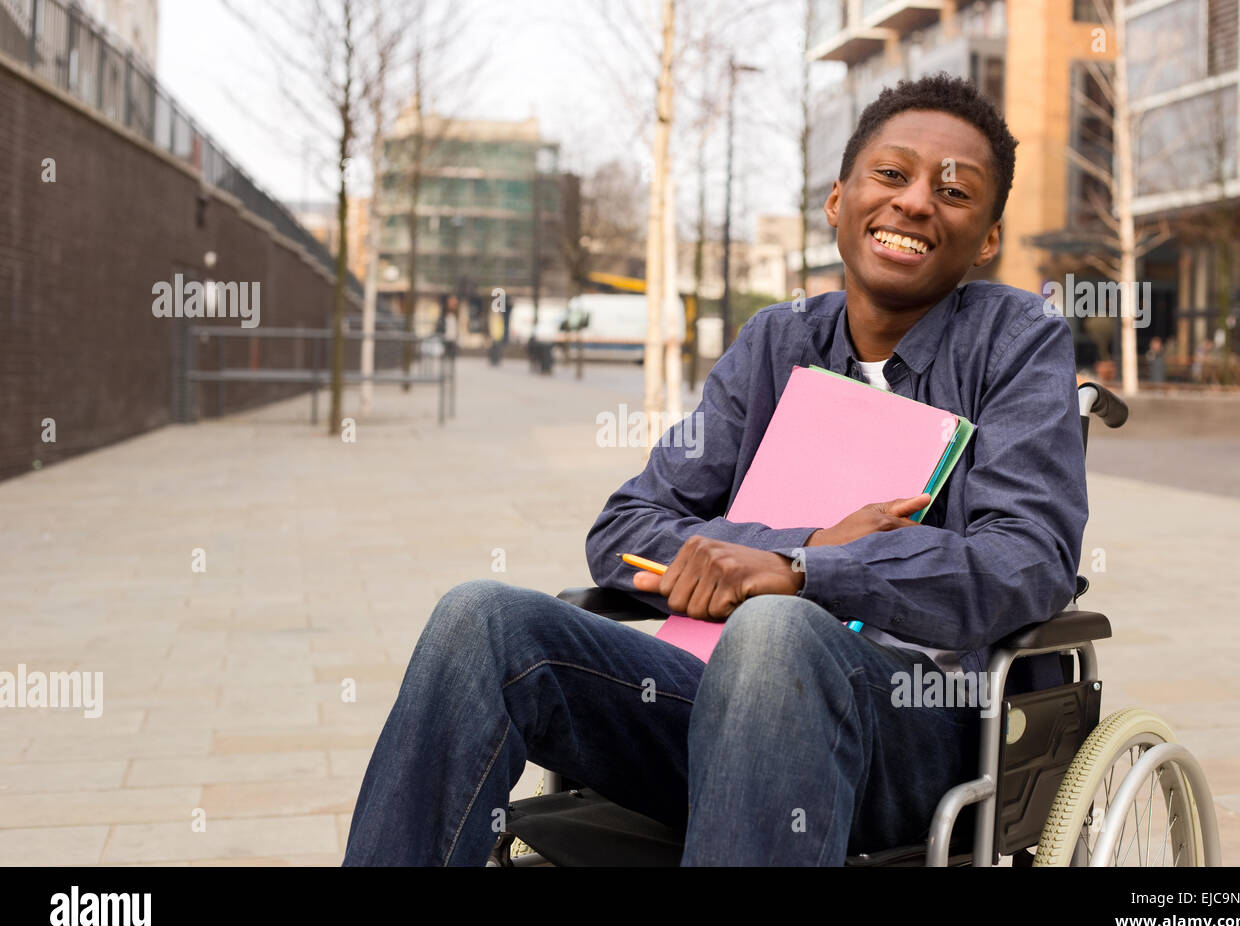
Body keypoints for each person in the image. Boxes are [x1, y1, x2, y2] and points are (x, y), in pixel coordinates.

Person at [342, 73, 1088, 867]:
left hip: (913, 727)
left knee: (775, 631)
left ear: (988, 238)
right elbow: (627, 526)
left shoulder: (1017, 341)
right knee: (479, 618)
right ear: (838, 201)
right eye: (891, 174)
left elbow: (1028, 559)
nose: (913, 202)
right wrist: (789, 551)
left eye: (953, 190)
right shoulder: (775, 343)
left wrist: (808, 576)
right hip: (708, 702)